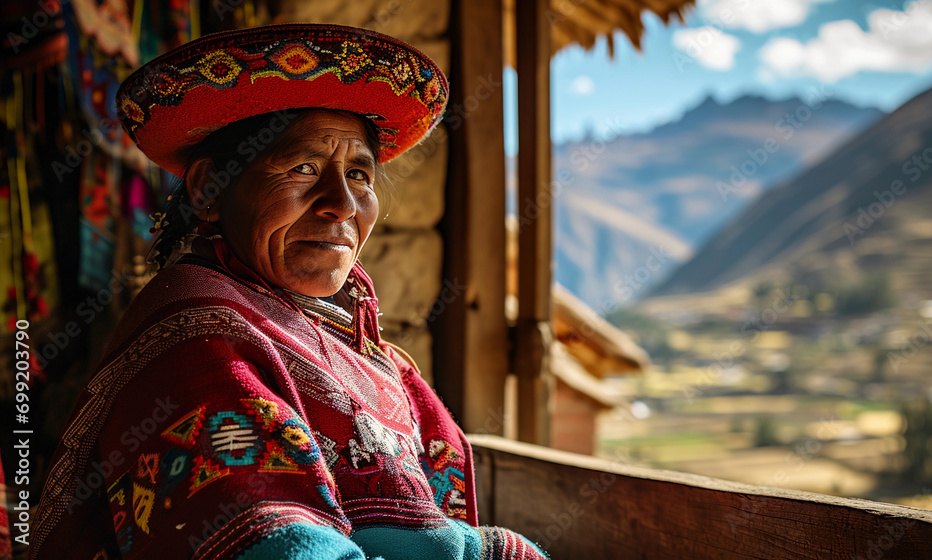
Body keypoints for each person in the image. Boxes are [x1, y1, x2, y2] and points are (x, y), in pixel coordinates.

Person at [29, 24, 548, 560]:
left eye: (360, 175)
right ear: (210, 188)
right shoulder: (200, 339)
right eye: (302, 167)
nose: (342, 203)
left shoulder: (373, 357)